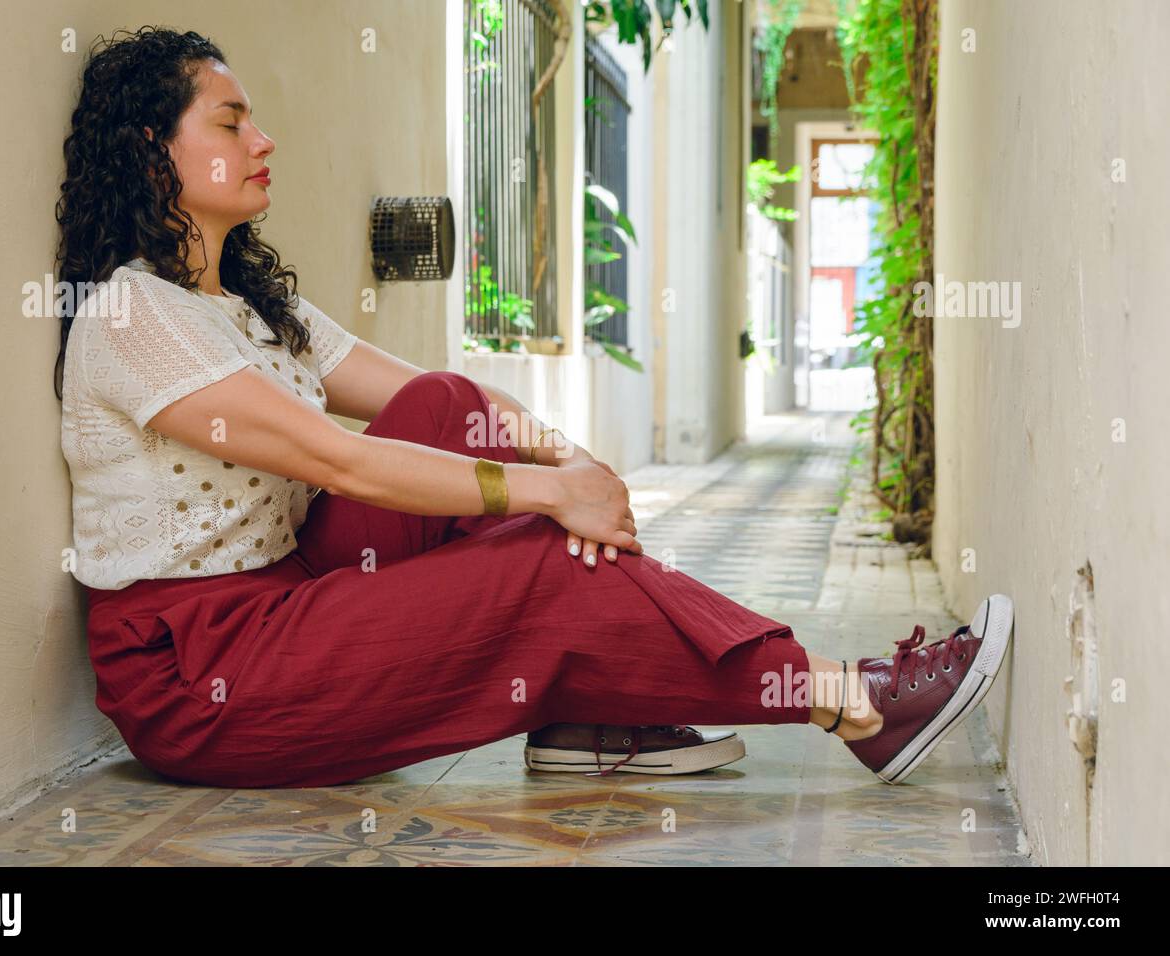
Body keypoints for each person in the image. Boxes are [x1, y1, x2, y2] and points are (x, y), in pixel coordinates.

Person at [53, 27, 1012, 789]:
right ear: (150, 147)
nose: (263, 141)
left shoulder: (254, 303)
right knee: (542, 564)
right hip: (200, 671)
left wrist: (578, 469)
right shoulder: (134, 312)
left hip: (290, 585)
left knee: (443, 403)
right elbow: (337, 462)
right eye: (230, 123)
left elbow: (437, 402)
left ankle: (586, 716)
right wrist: (547, 499)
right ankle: (855, 702)